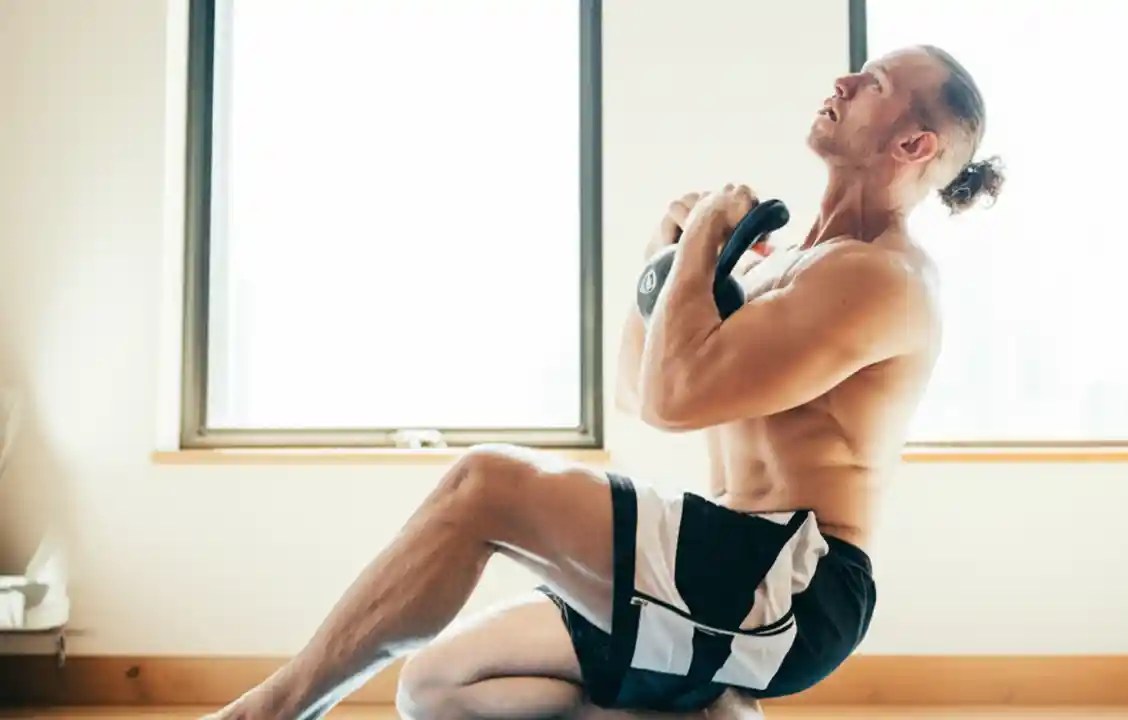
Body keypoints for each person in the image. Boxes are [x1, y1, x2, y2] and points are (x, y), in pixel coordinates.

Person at [207, 44, 1002, 720]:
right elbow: (639, 386)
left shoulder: (879, 278)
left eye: (874, 86)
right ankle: (703, 706)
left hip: (790, 583)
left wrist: (699, 247)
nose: (844, 84)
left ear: (913, 146)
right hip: (718, 567)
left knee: (486, 483)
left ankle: (268, 711)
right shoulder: (797, 264)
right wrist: (667, 262)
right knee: (437, 686)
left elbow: (674, 398)